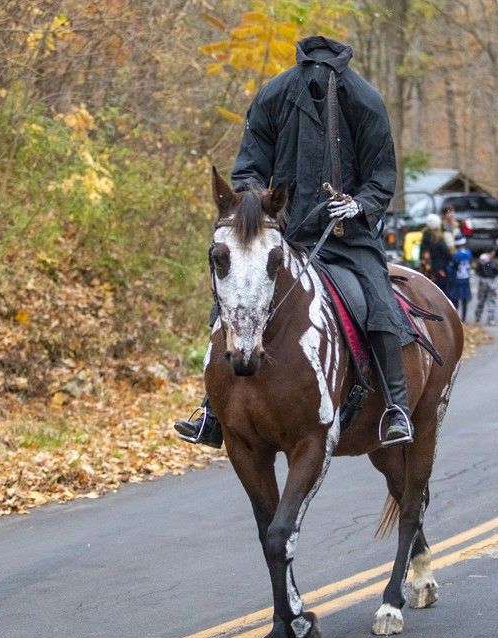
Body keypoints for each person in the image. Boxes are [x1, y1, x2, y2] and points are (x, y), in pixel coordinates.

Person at [175, 35, 414, 447]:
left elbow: (382, 174)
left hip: (346, 237)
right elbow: (249, 166)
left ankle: (395, 407)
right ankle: (213, 411)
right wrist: (259, 206)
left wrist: (358, 204)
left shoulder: (364, 100)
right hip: (279, 232)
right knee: (232, 296)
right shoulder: (274, 94)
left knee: (378, 299)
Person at [419, 214, 452, 296]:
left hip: (427, 270)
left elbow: (421, 255)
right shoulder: (438, 239)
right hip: (439, 272)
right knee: (441, 295)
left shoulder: (424, 238)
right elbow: (448, 255)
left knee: (429, 294)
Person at [474, 249, 498, 326]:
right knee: (491, 301)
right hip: (491, 282)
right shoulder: (494, 262)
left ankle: (477, 318)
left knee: (481, 301)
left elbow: (477, 270)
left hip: (482, 281)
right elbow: (497, 271)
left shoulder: (481, 260)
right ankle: (490, 319)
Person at [450, 235, 472, 321]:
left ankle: (456, 317)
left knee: (455, 299)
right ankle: (464, 317)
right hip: (466, 278)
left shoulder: (456, 255)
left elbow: (451, 267)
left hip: (457, 279)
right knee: (465, 299)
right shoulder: (469, 253)